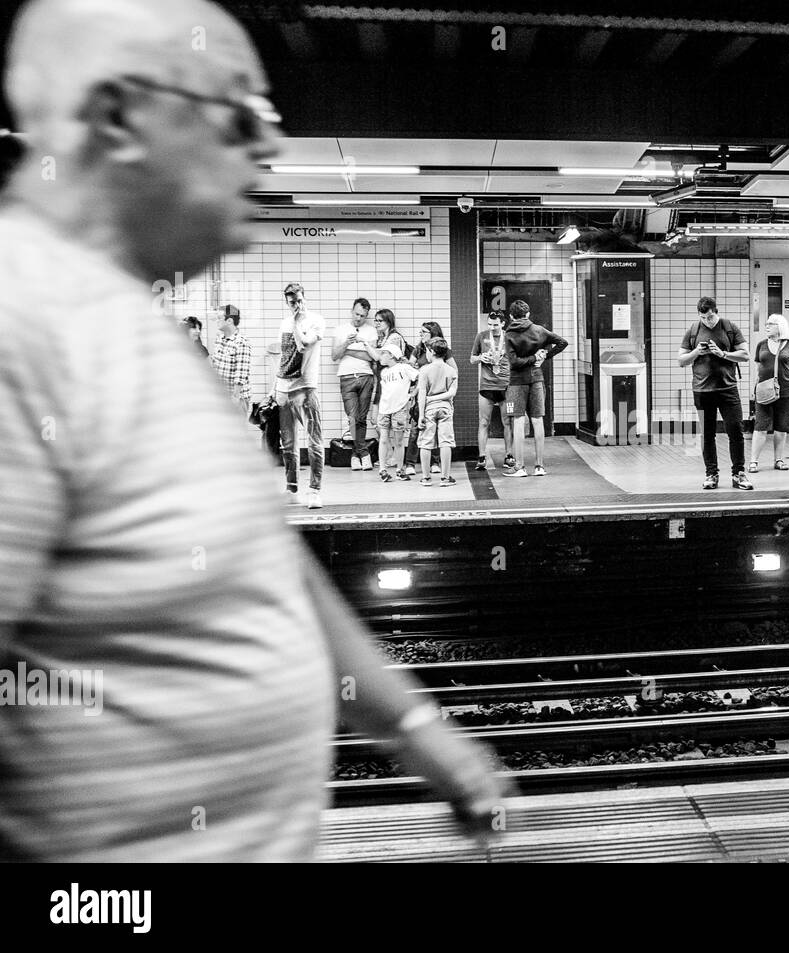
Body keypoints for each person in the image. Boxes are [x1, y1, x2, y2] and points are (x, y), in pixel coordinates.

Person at [0, 0, 504, 861]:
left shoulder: (134, 324)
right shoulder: (24, 322)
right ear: (119, 117)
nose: (266, 146)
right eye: (239, 113)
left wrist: (420, 730)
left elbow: (271, 567)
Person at [679, 296, 753, 489]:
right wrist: (697, 352)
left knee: (736, 431)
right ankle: (711, 474)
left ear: (716, 312)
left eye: (710, 317)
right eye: (703, 317)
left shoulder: (729, 327)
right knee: (707, 434)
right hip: (703, 391)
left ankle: (739, 474)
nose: (707, 321)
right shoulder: (693, 331)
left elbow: (745, 354)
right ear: (699, 315)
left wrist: (723, 354)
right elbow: (681, 360)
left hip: (728, 389)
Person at [503, 299, 569, 477]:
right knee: (538, 421)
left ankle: (520, 467)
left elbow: (514, 362)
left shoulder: (508, 335)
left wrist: (533, 358)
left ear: (511, 316)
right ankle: (539, 466)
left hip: (516, 383)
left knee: (517, 421)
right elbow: (563, 342)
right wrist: (544, 356)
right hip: (537, 380)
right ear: (528, 314)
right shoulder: (539, 330)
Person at [276, 281, 327, 506]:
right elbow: (283, 358)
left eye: (299, 300)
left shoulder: (316, 321)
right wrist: (274, 389)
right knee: (288, 443)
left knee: (314, 440)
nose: (296, 305)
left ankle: (314, 490)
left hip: (305, 388)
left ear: (304, 298)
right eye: (292, 302)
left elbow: (304, 345)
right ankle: (291, 487)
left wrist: (298, 323)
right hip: (284, 388)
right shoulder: (284, 323)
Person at [747, 313, 789, 472]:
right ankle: (753, 461)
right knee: (760, 426)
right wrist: (754, 388)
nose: (767, 326)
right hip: (764, 391)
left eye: (771, 324)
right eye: (767, 324)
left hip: (785, 392)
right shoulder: (761, 345)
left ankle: (779, 460)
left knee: (781, 427)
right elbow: (757, 369)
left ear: (780, 326)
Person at [331, 296, 377, 471]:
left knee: (361, 418)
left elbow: (370, 356)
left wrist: (348, 352)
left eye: (363, 316)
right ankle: (362, 454)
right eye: (357, 314)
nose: (359, 318)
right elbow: (334, 356)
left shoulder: (371, 331)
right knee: (352, 417)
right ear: (352, 311)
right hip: (346, 377)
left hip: (366, 376)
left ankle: (356, 456)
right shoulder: (340, 329)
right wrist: (347, 344)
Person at [405, 320, 455, 476]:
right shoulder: (418, 350)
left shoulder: (444, 352)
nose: (420, 335)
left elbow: (454, 371)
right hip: (425, 395)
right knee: (416, 431)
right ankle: (411, 463)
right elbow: (410, 368)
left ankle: (433, 466)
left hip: (429, 396)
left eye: (423, 332)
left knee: (431, 433)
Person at [471, 310, 515, 470]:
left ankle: (509, 455)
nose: (492, 327)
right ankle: (481, 457)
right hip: (487, 386)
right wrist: (481, 358)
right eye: (489, 324)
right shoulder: (481, 336)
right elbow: (472, 358)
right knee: (483, 422)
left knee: (508, 422)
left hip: (506, 386)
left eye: (495, 325)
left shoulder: (510, 338)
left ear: (503, 324)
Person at [417, 337, 459, 488]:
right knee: (445, 442)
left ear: (432, 352)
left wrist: (421, 414)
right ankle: (445, 478)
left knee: (426, 442)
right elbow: (452, 393)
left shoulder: (424, 370)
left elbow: (421, 394)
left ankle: (426, 478)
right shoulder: (451, 370)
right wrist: (437, 397)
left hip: (428, 410)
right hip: (446, 409)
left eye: (427, 351)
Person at [374, 344, 420, 482]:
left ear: (392, 355)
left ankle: (400, 470)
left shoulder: (404, 368)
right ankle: (382, 469)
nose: (380, 356)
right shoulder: (384, 372)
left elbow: (419, 377)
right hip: (384, 408)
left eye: (383, 354)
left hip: (399, 408)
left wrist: (415, 392)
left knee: (399, 441)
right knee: (383, 439)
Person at [210, 303, 251, 416]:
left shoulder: (241, 342)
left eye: (219, 318)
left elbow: (241, 373)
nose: (217, 321)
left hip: (236, 398)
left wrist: (235, 397)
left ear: (229, 321)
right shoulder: (219, 339)